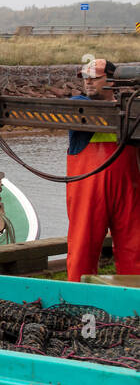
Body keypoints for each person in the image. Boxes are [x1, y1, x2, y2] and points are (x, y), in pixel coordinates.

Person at [66, 58, 140, 280]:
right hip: (88, 189)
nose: (88, 82)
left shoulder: (132, 110)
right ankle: (76, 299)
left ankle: (134, 300)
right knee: (82, 247)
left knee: (134, 247)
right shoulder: (78, 105)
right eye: (85, 78)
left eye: (95, 78)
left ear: (112, 80)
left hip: (127, 189)